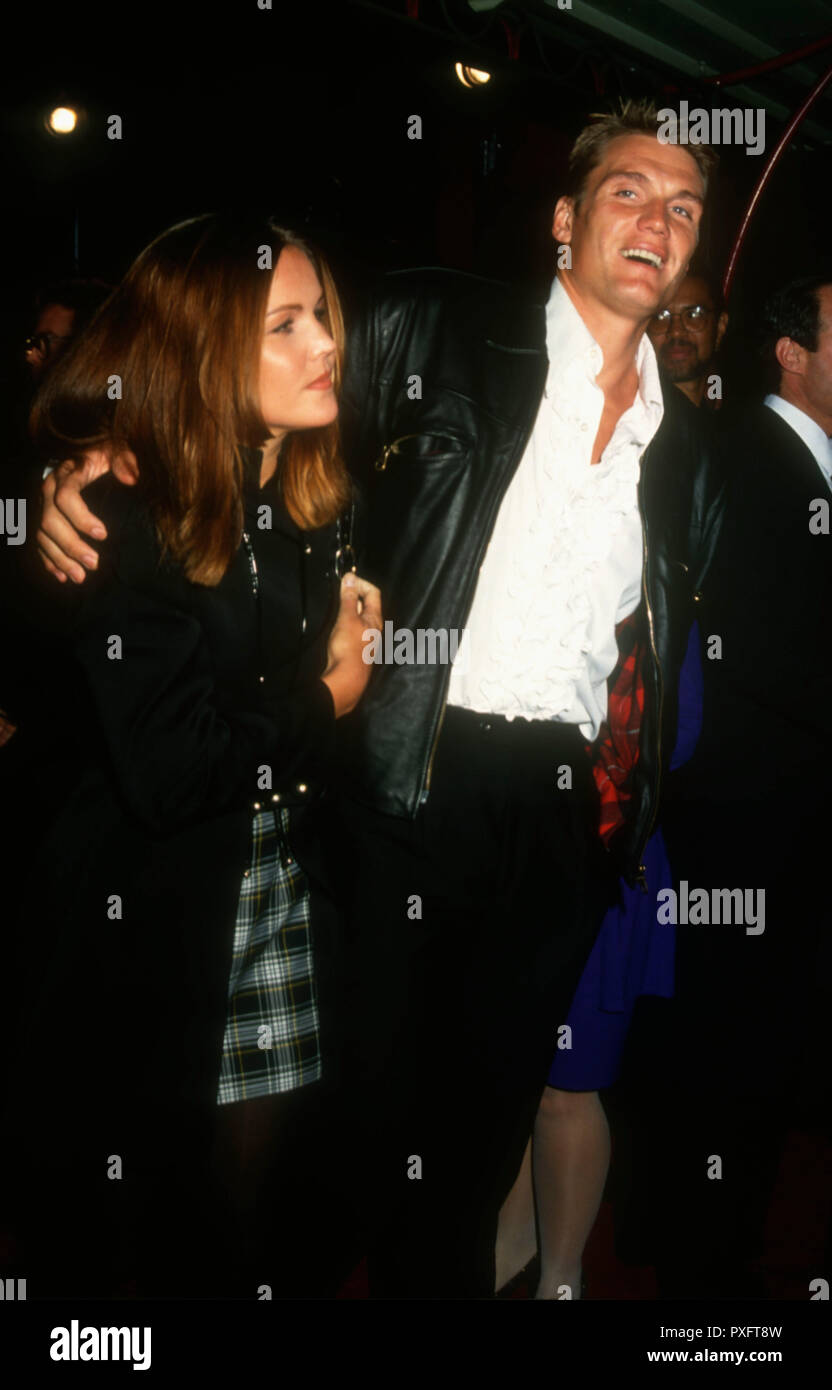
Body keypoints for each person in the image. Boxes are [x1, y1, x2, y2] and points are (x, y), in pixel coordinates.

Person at [36, 99, 724, 1299]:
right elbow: (213, 368)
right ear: (564, 219)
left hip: (559, 820)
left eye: (682, 207)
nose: (655, 222)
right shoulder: (441, 322)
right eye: (627, 192)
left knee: (475, 1144)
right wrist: (87, 456)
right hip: (409, 778)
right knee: (343, 1141)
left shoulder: (686, 448)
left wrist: (616, 816)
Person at [3, 212, 381, 1298]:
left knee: (257, 1208)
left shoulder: (310, 494)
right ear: (205, 346)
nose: (326, 347)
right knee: (157, 1228)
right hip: (154, 918)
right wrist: (327, 695)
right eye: (286, 325)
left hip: (280, 889)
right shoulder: (120, 511)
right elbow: (175, 773)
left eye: (324, 318)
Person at [649, 274, 832, 1297]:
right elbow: (752, 650)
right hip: (743, 829)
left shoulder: (800, 464)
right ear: (790, 354)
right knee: (728, 1068)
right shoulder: (753, 459)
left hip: (777, 826)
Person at [647, 269, 728, 410]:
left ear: (720, 326)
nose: (676, 331)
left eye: (693, 315)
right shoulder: (630, 423)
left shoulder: (732, 420)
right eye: (660, 316)